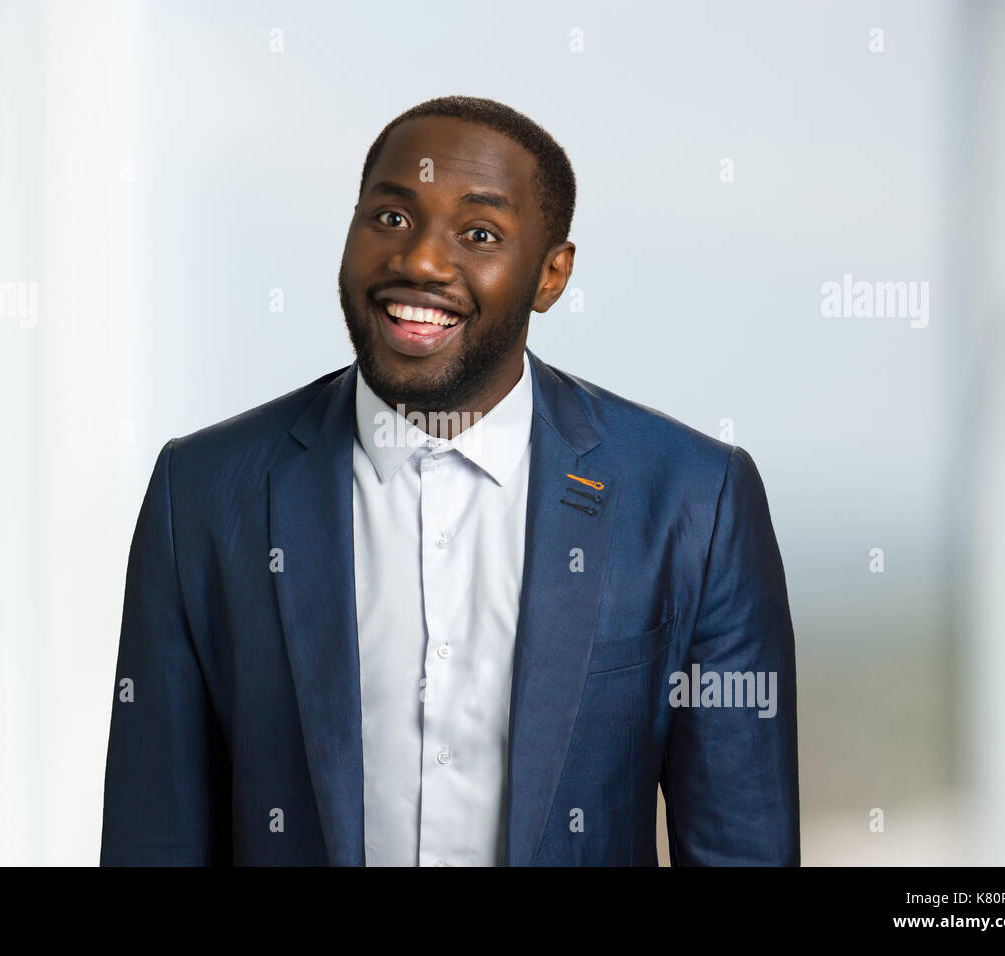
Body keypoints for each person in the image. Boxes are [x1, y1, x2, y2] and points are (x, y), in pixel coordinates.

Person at [100, 95, 799, 866]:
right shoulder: (199, 492)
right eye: (391, 218)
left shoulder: (695, 501)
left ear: (551, 274)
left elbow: (744, 848)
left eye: (479, 233)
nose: (421, 262)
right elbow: (153, 838)